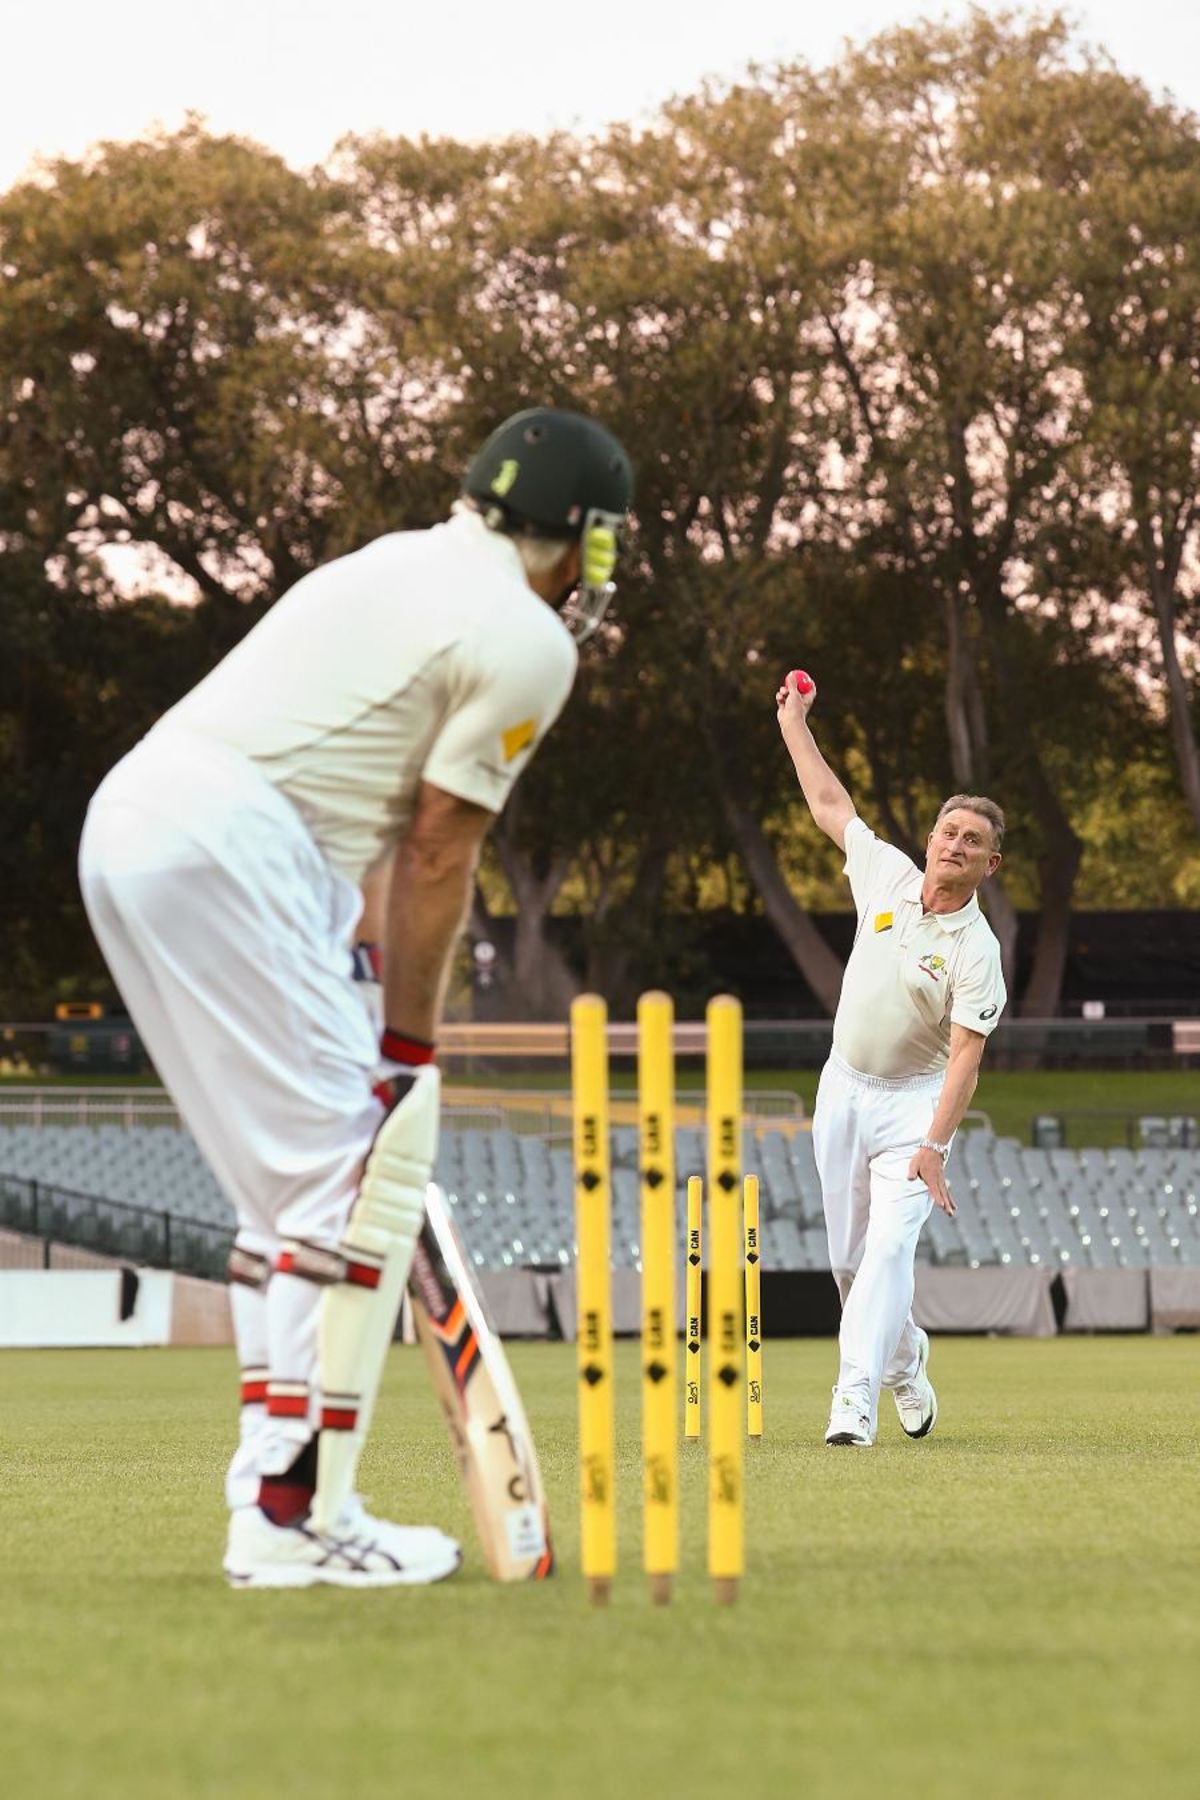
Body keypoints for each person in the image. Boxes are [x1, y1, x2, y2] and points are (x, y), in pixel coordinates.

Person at [79, 407, 633, 1585]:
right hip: (242, 846)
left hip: (132, 820)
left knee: (288, 1202)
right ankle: (293, 1518)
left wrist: (367, 1003)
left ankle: (275, 1502)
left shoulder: (388, 565)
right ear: (576, 531)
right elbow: (438, 852)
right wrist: (407, 1047)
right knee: (348, 1180)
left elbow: (380, 842)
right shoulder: (530, 641)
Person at [775, 670, 1007, 1447]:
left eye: (973, 842)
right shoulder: (889, 874)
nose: (956, 845)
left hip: (914, 1104)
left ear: (988, 866)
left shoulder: (978, 951)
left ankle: (854, 1400)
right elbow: (831, 806)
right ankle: (906, 1359)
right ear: (934, 838)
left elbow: (966, 1060)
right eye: (950, 832)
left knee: (887, 1250)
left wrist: (935, 1148)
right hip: (843, 1088)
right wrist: (794, 724)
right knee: (848, 1263)